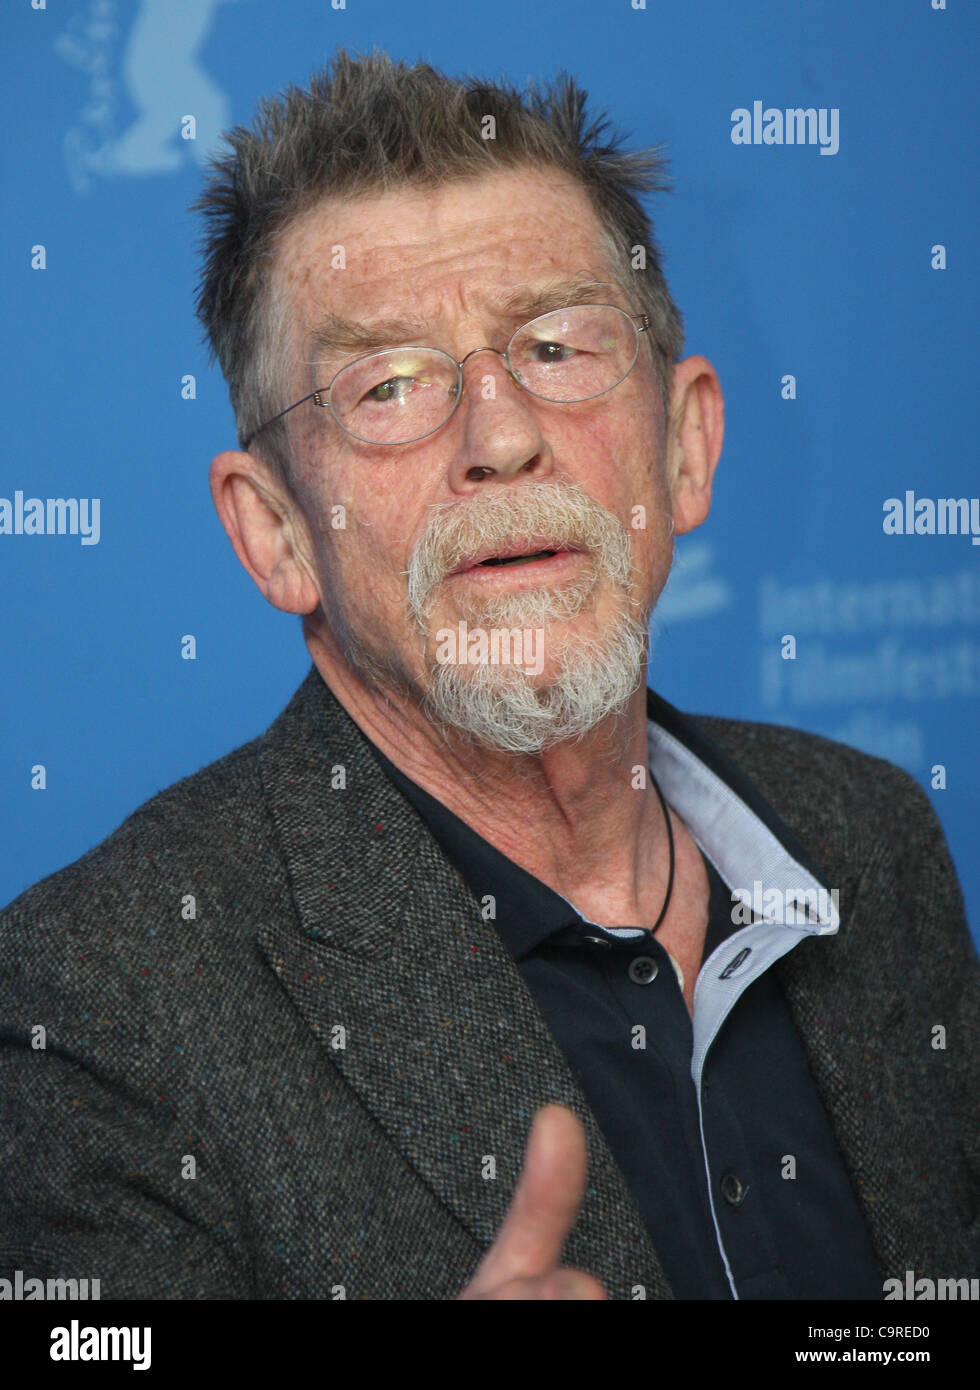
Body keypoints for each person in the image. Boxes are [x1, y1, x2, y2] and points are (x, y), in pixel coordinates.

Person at [1, 49, 976, 1302]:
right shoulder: (93, 1004)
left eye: (558, 346)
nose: (500, 435)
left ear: (684, 444)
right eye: (388, 385)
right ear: (275, 533)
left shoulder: (869, 840)